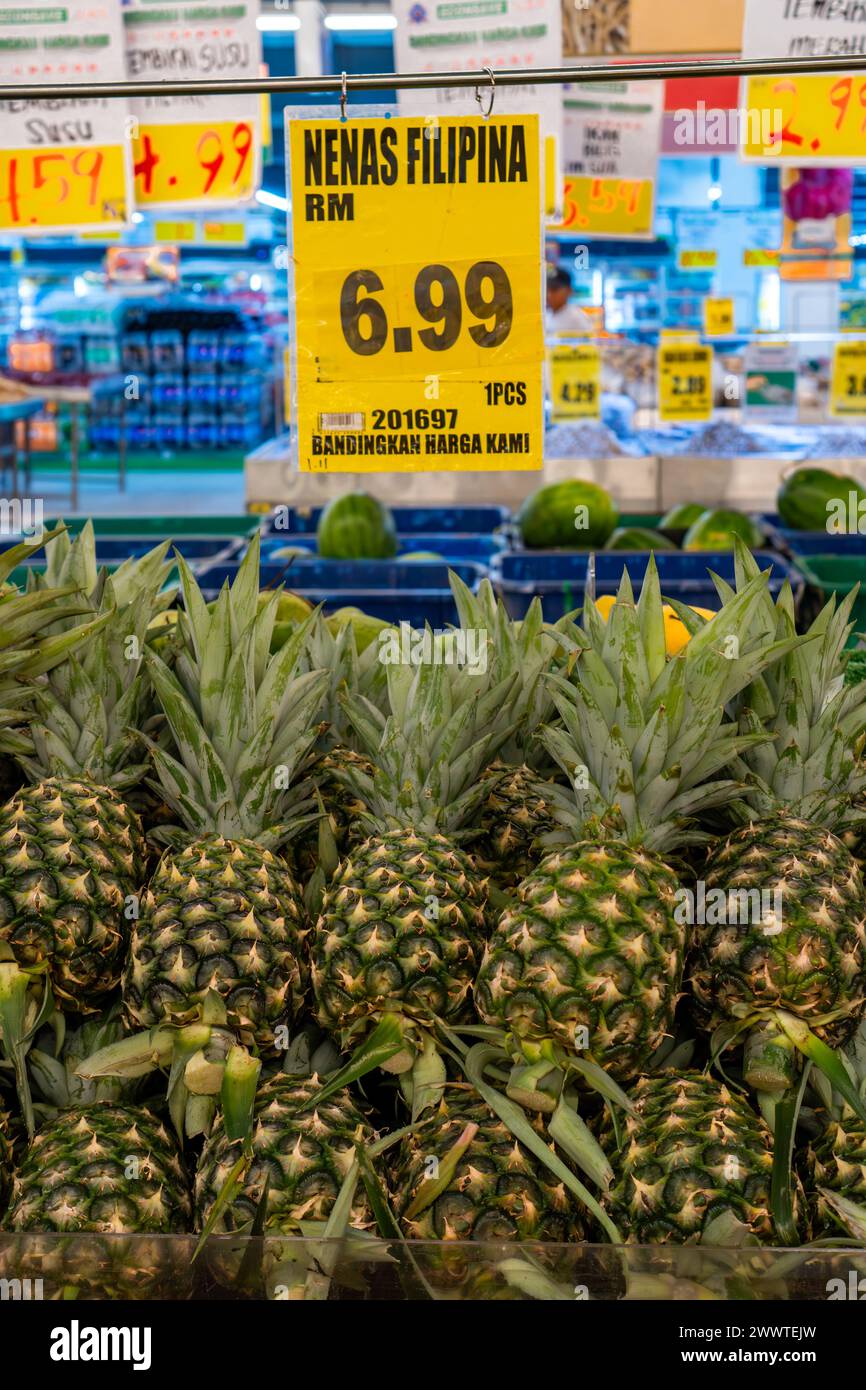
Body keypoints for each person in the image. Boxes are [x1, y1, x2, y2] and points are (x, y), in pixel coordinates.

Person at [545, 264, 593, 338]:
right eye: (547, 289)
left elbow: (588, 345)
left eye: (554, 289)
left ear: (569, 291)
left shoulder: (577, 318)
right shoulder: (547, 314)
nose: (549, 294)